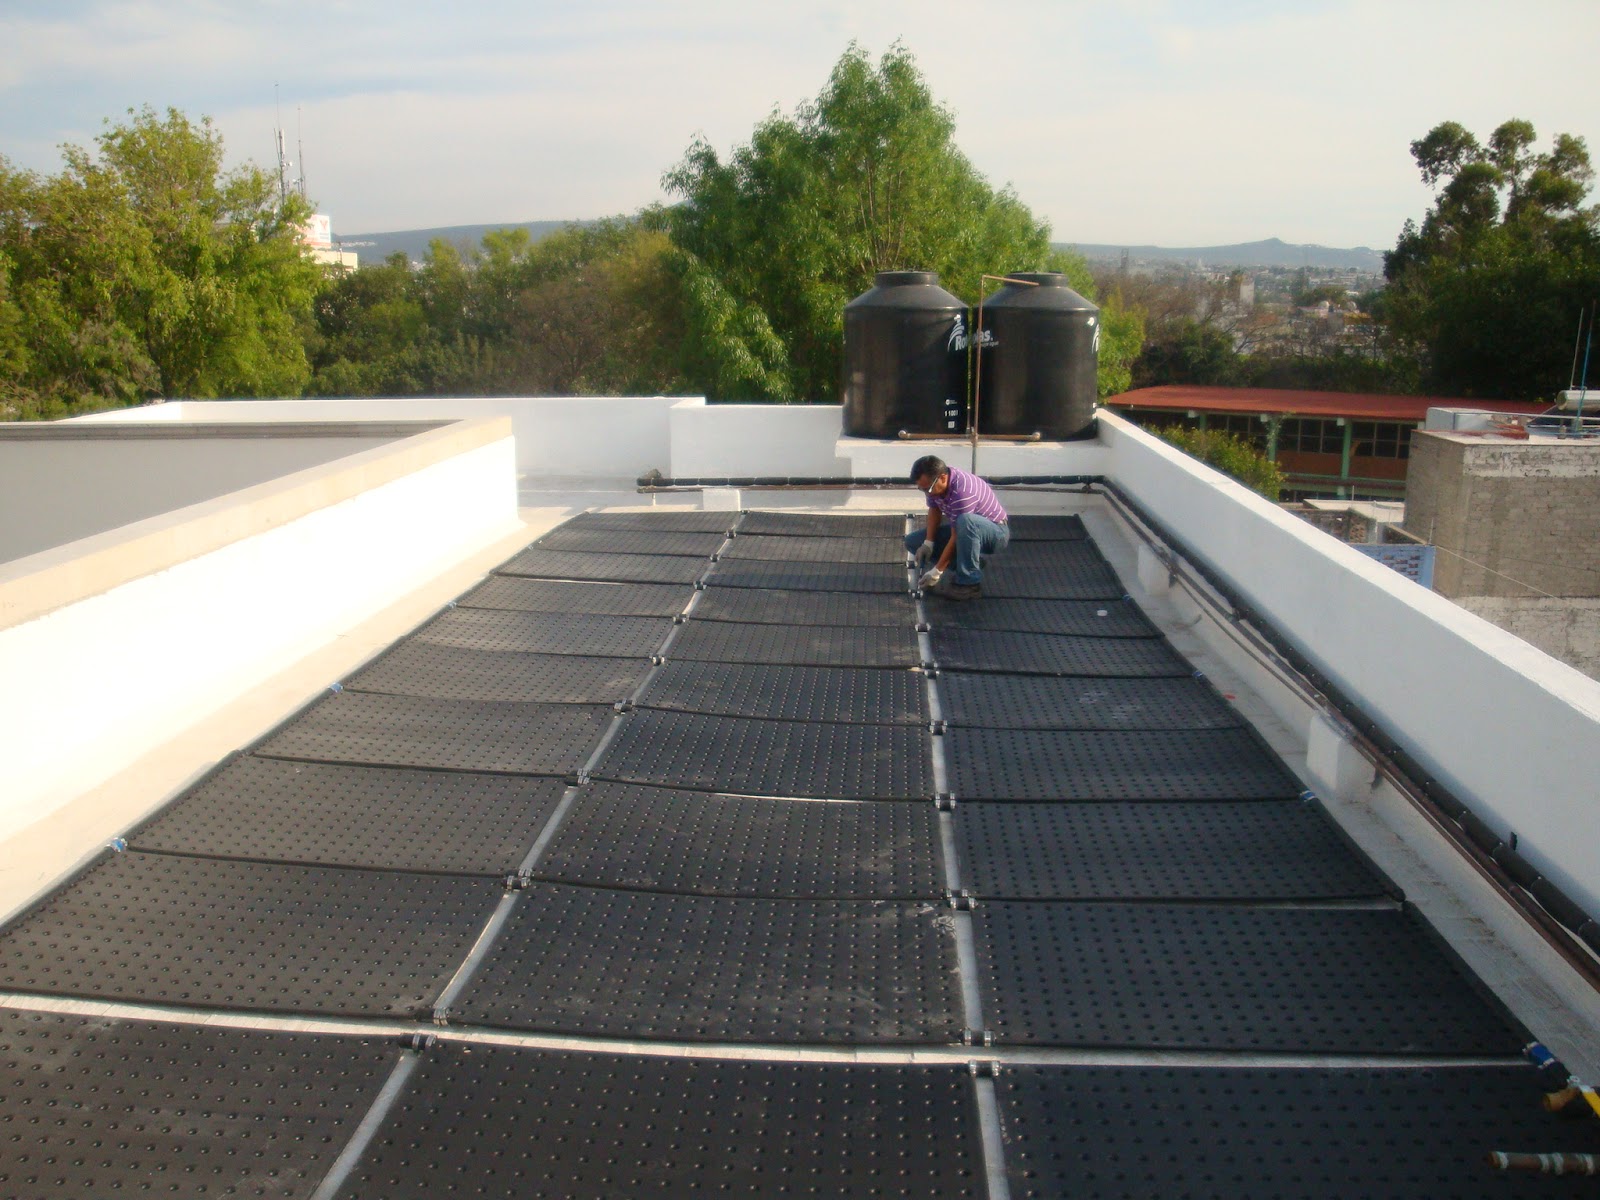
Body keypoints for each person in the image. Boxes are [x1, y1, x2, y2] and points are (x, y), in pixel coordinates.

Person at [905, 454, 1009, 600]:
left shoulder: (963, 492)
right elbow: (934, 509)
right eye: (921, 489)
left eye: (927, 489)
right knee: (913, 542)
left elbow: (956, 536)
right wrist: (928, 544)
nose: (926, 493)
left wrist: (937, 571)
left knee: (966, 521)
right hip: (967, 529)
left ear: (942, 478)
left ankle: (970, 584)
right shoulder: (934, 485)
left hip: (995, 533)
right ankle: (969, 566)